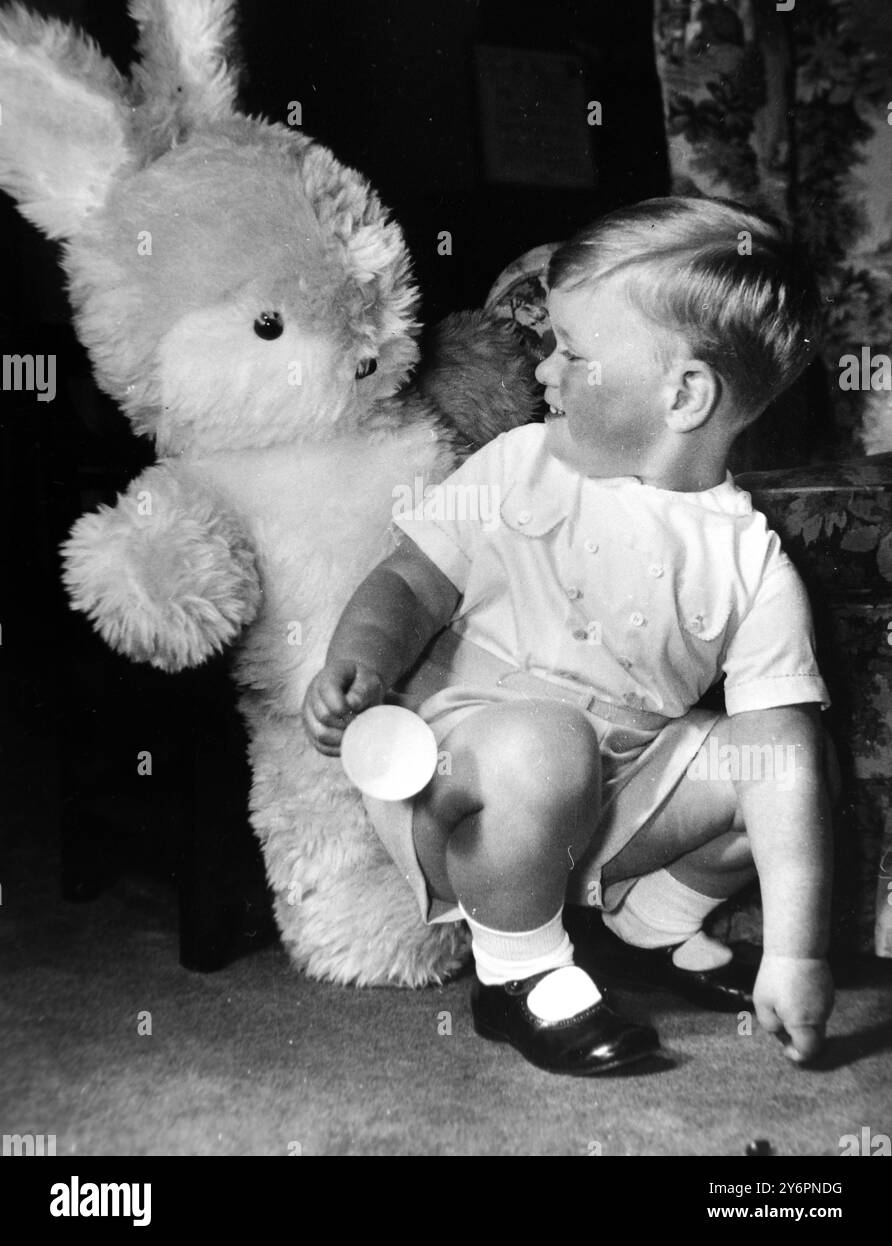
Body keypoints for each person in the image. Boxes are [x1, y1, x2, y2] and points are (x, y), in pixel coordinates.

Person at [303, 196, 837, 1077]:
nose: (543, 369)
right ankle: (517, 974)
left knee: (780, 767)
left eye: (571, 351)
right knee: (546, 742)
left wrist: (797, 952)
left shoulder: (751, 559)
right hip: (469, 774)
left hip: (613, 793)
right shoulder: (520, 463)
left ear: (686, 394)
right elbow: (409, 578)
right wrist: (358, 658)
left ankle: (649, 928)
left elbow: (780, 749)